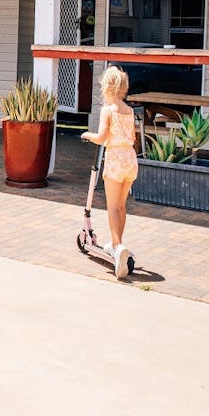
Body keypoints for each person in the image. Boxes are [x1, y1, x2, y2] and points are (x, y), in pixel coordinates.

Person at [80, 65, 138, 278]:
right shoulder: (129, 110)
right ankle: (117, 243)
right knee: (121, 206)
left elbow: (102, 138)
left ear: (107, 86)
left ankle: (118, 246)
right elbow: (132, 137)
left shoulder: (108, 110)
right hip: (130, 159)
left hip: (114, 159)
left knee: (112, 207)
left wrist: (87, 134)